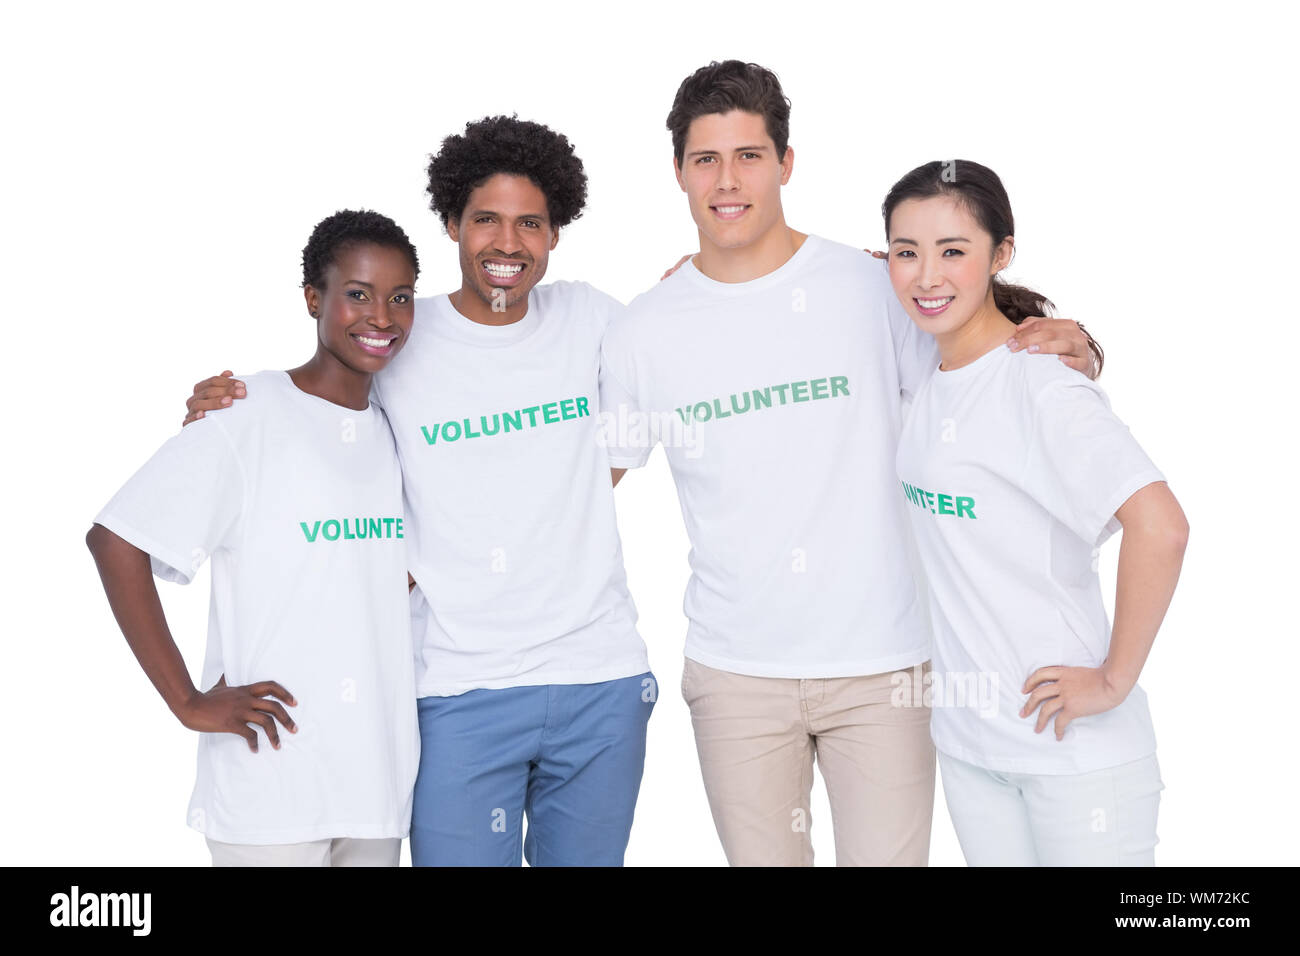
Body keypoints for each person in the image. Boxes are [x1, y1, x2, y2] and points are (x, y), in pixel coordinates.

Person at [599, 60, 1099, 866]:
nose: (728, 181)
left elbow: (977, 352)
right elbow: (581, 491)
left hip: (886, 669)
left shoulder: (872, 285)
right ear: (680, 173)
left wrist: (1061, 339)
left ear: (786, 163)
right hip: (736, 676)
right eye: (706, 160)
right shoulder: (642, 330)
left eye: (750, 156)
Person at [182, 117, 655, 867]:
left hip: (600, 680)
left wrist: (869, 279)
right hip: (454, 686)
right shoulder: (401, 336)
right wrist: (226, 405)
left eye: (530, 222)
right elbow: (315, 403)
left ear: (556, 234)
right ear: (451, 225)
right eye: (486, 220)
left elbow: (687, 360)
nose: (508, 243)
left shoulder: (592, 319)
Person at [86, 209, 422, 866]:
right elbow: (116, 539)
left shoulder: (400, 427)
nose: (380, 316)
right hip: (271, 786)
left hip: (377, 784)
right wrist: (185, 699)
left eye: (400, 297)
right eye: (357, 294)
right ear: (313, 298)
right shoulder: (249, 414)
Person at [884, 159, 1188, 866]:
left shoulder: (1040, 385)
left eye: (954, 251)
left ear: (1001, 254)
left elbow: (1162, 525)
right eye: (908, 252)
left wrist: (1114, 679)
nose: (927, 275)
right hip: (970, 749)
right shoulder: (927, 374)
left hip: (1076, 760)